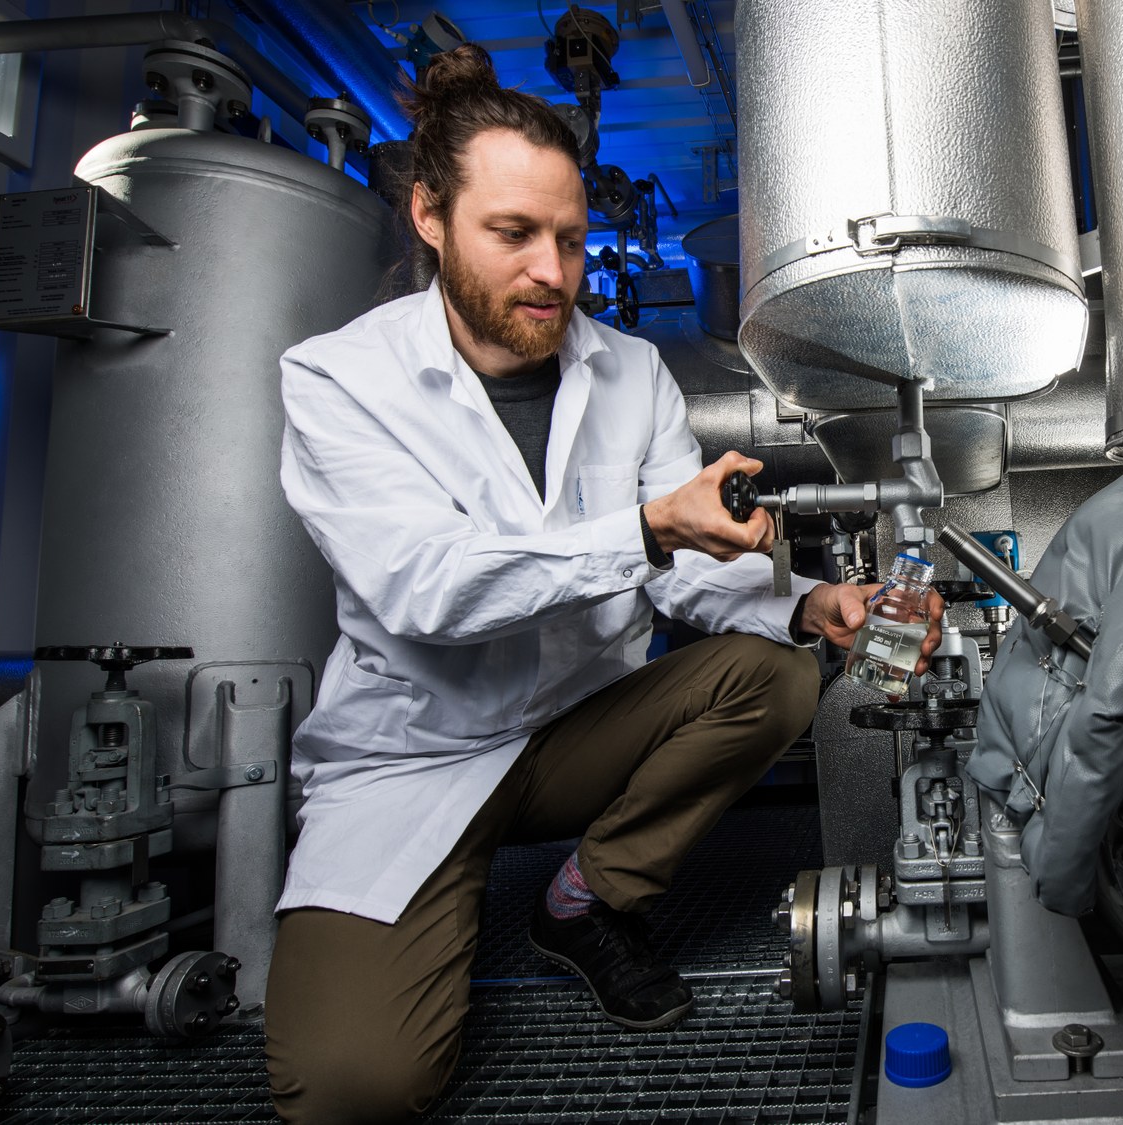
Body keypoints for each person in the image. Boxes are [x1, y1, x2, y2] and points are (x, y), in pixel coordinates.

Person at [263, 45, 942, 1123]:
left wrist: (801, 606)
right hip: (415, 759)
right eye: (513, 235)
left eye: (571, 240)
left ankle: (587, 901)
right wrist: (640, 529)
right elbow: (424, 592)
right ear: (430, 217)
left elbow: (689, 585)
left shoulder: (626, 369)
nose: (552, 273)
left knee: (769, 676)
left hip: (578, 730)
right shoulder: (340, 380)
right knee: (353, 1087)